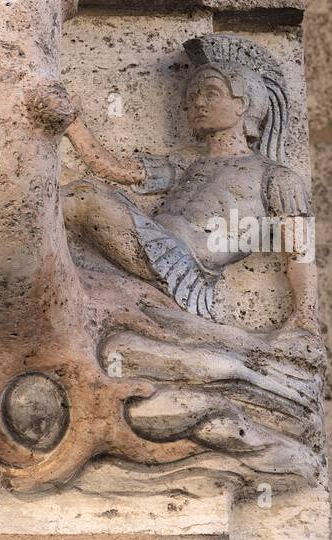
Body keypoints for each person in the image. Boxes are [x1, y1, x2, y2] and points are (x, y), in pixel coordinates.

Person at [63, 35, 318, 328]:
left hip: (185, 269)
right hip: (152, 245)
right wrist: (74, 126)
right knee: (72, 184)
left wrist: (305, 315)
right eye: (193, 95)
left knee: (84, 197)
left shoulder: (276, 178)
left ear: (243, 104)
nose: (198, 102)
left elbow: (300, 254)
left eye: (211, 93)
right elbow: (116, 170)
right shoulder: (188, 161)